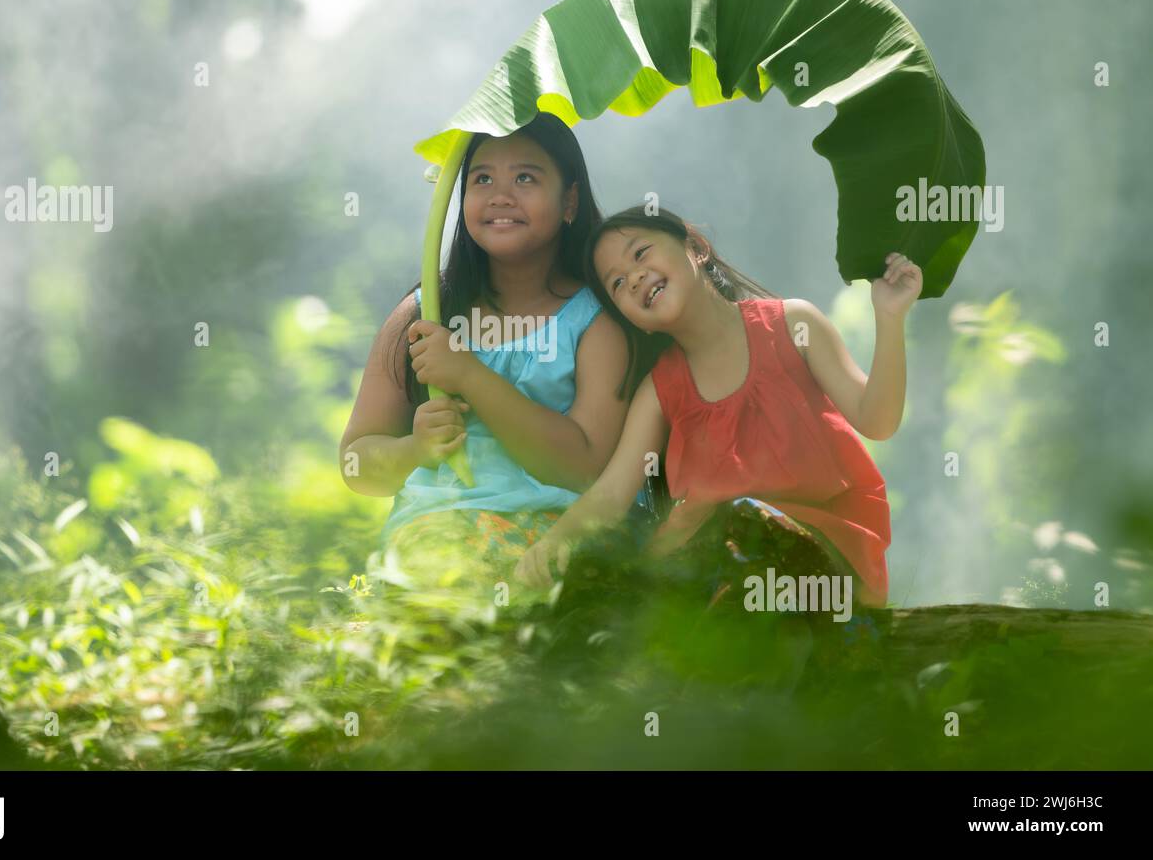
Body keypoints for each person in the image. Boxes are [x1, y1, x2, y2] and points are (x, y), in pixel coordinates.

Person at [516, 204, 920, 613]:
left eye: (640, 254)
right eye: (618, 283)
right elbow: (611, 492)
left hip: (819, 564)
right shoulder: (659, 392)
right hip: (715, 569)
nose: (635, 277)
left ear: (696, 248)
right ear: (636, 322)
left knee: (745, 525)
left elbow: (877, 420)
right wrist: (553, 542)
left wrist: (889, 317)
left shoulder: (793, 325)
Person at [340, 114, 641, 589]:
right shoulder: (424, 313)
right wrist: (413, 450)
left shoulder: (597, 320)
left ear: (569, 202)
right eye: (482, 179)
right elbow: (357, 466)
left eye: (525, 177)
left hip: (557, 529)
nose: (501, 195)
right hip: (437, 530)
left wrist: (470, 375)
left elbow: (585, 468)